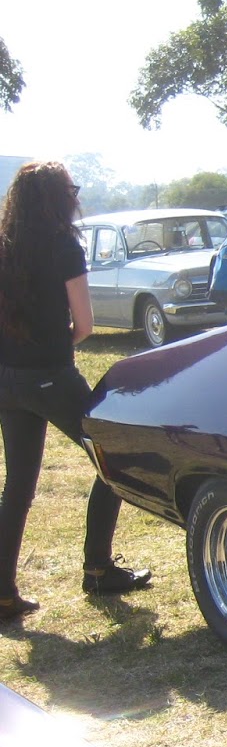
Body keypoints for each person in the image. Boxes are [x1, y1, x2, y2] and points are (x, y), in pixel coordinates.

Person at [0, 161, 153, 622]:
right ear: (60, 197)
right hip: (50, 374)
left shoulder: (3, 245)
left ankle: (3, 594)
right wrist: (51, 347)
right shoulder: (65, 245)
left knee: (19, 487)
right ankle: (98, 568)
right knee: (113, 458)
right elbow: (84, 325)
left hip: (7, 380)